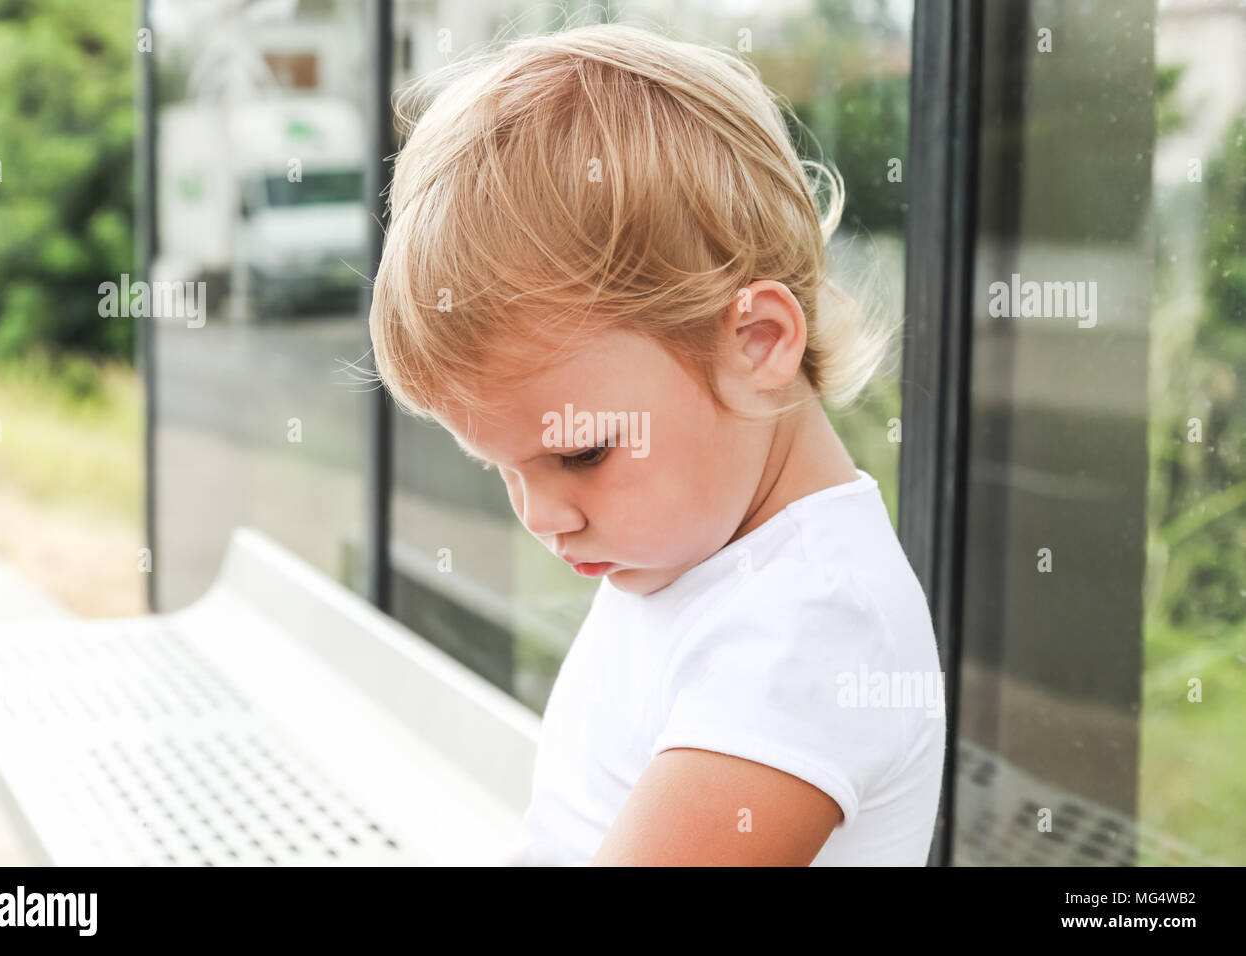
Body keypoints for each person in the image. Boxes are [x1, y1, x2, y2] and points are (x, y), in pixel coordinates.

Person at [368, 21, 945, 865]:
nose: (543, 517)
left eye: (580, 454)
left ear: (756, 343)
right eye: (502, 468)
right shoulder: (695, 548)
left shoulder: (812, 631)